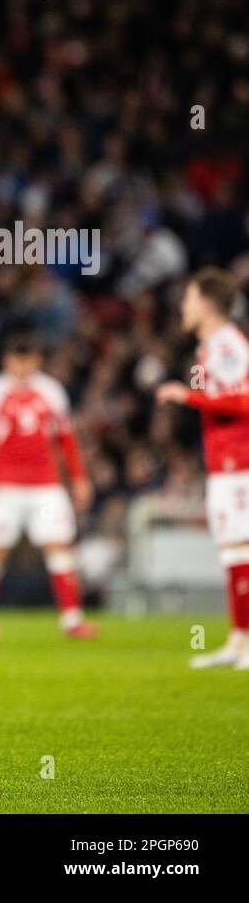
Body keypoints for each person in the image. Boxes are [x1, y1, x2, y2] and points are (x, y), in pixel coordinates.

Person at [0, 331, 99, 641]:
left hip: (46, 485)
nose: (22, 368)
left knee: (60, 548)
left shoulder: (51, 391)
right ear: (6, 361)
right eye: (16, 361)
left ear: (37, 361)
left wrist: (78, 478)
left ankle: (72, 622)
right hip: (6, 486)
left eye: (28, 361)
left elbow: (67, 439)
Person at [156, 268, 249, 669]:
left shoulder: (229, 343)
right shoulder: (206, 348)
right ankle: (238, 640)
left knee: (242, 548)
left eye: (189, 298)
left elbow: (244, 400)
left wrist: (187, 397)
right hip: (222, 459)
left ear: (207, 304)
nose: (183, 305)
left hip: (240, 458)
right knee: (233, 549)